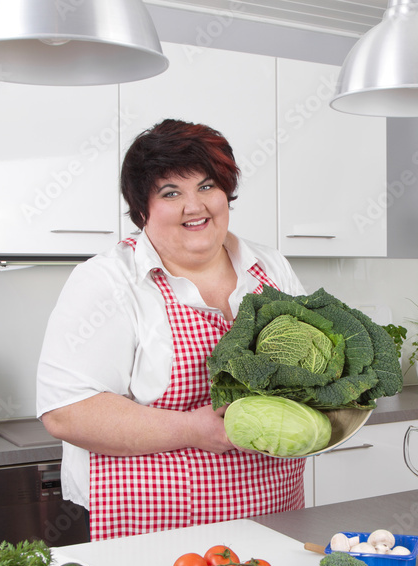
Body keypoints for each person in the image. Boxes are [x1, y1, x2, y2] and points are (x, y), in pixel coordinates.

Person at [36, 119, 308, 542]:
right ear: (142, 208)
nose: (194, 206)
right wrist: (194, 429)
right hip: (152, 532)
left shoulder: (270, 268)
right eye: (170, 193)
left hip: (272, 517)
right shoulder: (108, 281)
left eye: (206, 186)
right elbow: (66, 412)